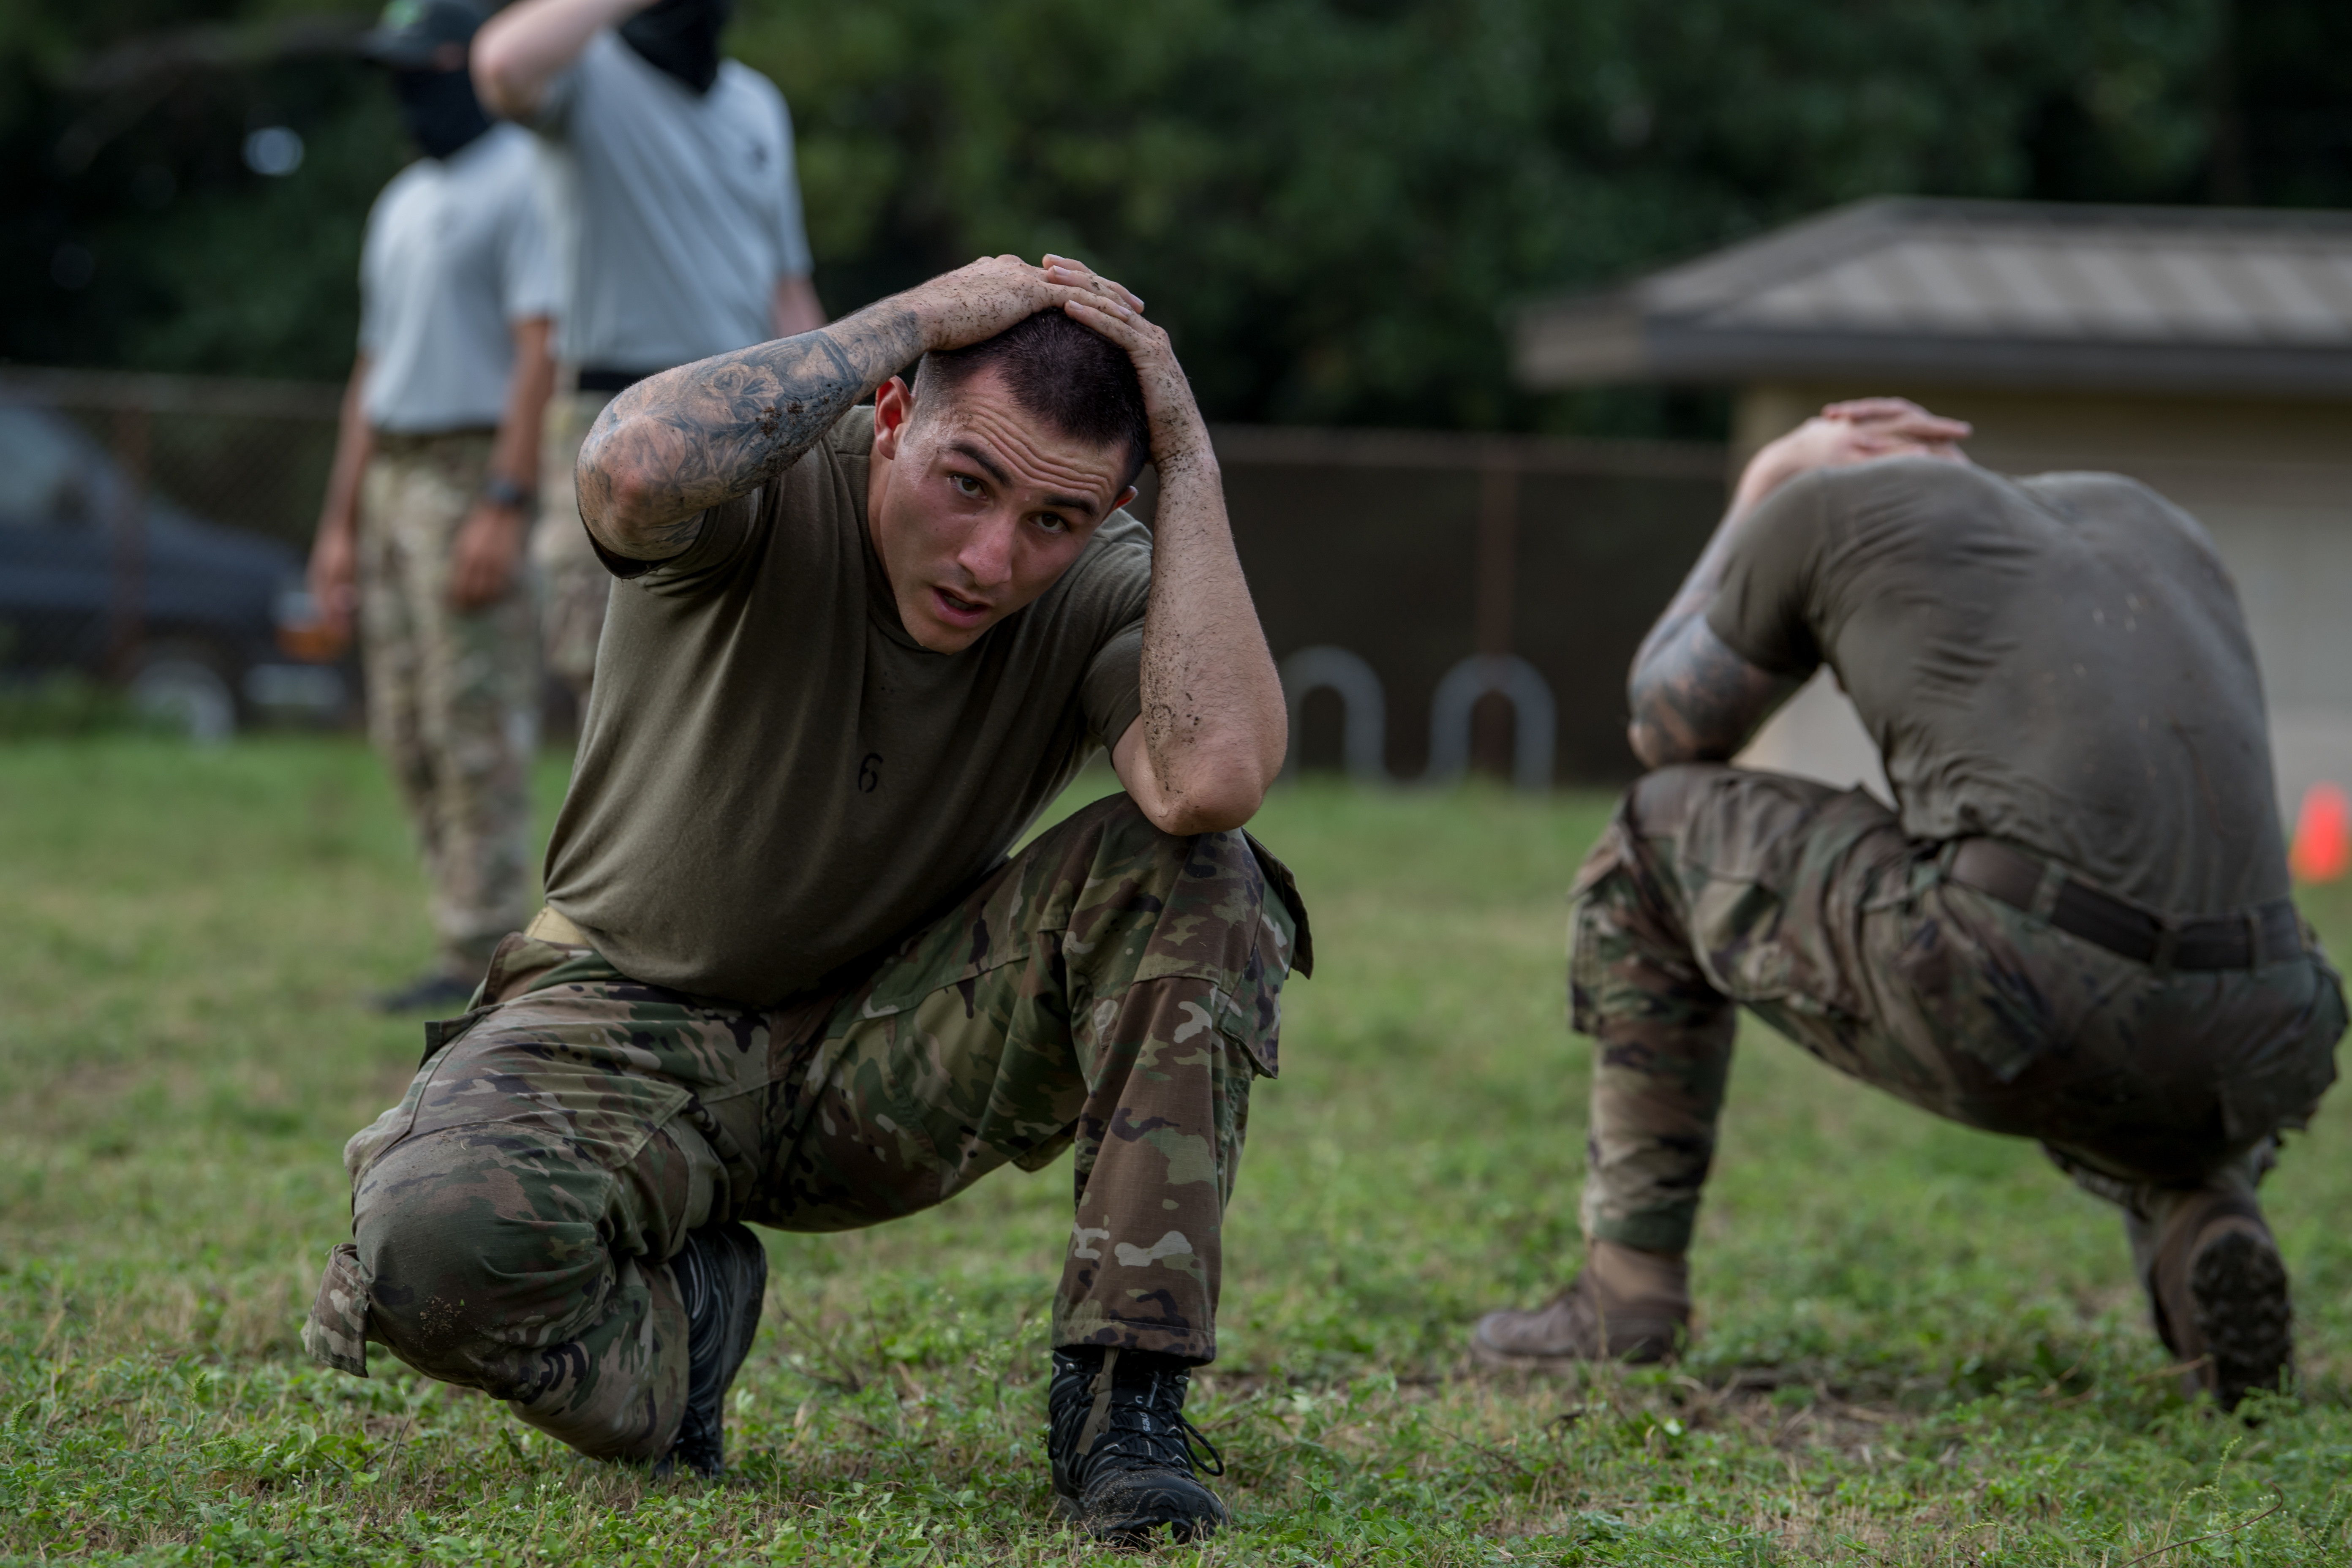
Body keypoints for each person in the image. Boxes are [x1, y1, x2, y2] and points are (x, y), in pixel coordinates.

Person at [302, 254, 1307, 1545]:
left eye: (1056, 518)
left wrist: (1190, 457)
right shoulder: (771, 482)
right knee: (429, 1254)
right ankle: (690, 1337)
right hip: (621, 1011)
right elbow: (628, 468)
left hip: (882, 1051)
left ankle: (1125, 1403)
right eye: (967, 482)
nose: (994, 555)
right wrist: (912, 323)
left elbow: (1210, 778)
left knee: (1199, 875)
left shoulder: (1103, 578)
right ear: (894, 419)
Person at [1471, 398, 2344, 1412]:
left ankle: (1623, 1295)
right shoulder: (2154, 523)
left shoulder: (1824, 511)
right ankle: (2203, 1207)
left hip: (2025, 989)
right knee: (2131, 955)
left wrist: (1767, 485)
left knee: (1656, 829)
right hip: (2276, 1020)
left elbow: (1665, 724)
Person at [308, 0, 559, 1014]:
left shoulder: (528, 179)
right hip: (390, 476)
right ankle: (458, 930)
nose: (408, 91)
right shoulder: (403, 199)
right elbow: (371, 367)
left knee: (476, 719)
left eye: (423, 69)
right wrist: (337, 522)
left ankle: (489, 954)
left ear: (465, 65)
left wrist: (507, 498)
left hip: (468, 470)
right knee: (405, 725)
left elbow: (541, 346)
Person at [469, 0, 826, 709]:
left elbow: (787, 293)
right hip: (615, 420)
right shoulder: (585, 74)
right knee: (613, 690)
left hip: (747, 423)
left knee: (739, 684)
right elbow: (502, 63)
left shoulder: (756, 104)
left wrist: (849, 417)